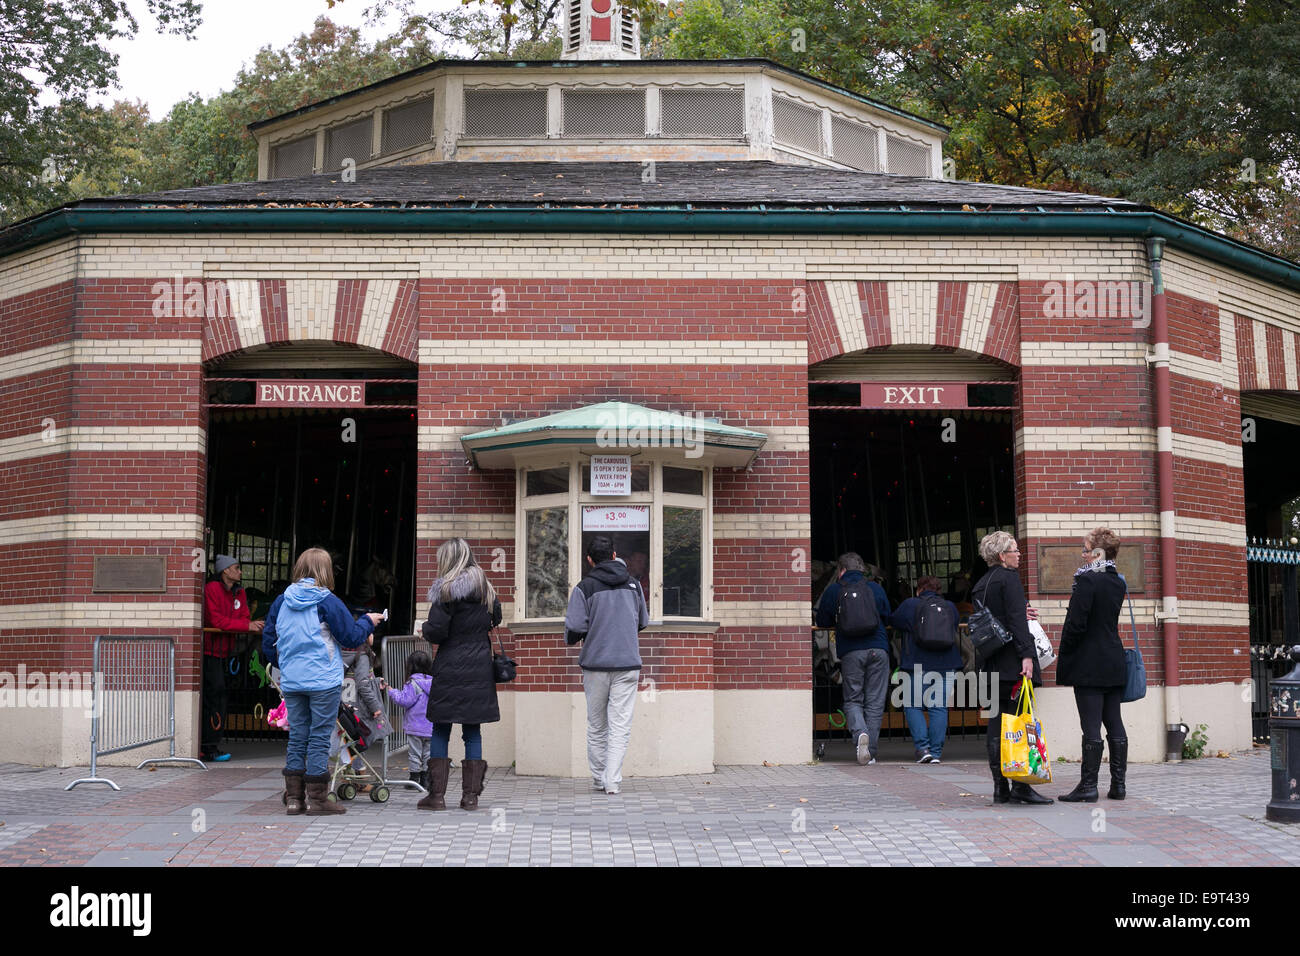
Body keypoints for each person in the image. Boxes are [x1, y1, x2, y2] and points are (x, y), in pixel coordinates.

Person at [262, 548, 382, 815]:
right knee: (318, 737)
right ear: (325, 571)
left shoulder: (281, 601)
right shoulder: (328, 602)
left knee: (297, 738)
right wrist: (367, 622)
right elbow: (351, 637)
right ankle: (317, 800)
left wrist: (288, 666)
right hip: (323, 681)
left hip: (292, 680)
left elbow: (269, 642)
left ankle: (294, 799)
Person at [418, 538, 501, 812]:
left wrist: (425, 630)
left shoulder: (445, 591)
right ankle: (470, 798)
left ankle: (437, 796)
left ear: (449, 560)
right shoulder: (486, 588)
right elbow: (496, 618)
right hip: (479, 667)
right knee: (472, 730)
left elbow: (438, 630)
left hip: (450, 666)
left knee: (441, 727)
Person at [564, 535, 649, 795]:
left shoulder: (584, 587)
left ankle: (599, 778)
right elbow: (642, 621)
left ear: (590, 560)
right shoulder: (634, 585)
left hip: (595, 665)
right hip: (627, 664)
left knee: (597, 724)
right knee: (620, 725)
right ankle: (613, 781)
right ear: (614, 555)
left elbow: (576, 626)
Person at [974, 531, 1052, 805]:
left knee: (996, 724)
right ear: (1001, 555)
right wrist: (1027, 656)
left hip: (991, 666)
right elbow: (1017, 625)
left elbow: (999, 618)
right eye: (1014, 550)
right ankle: (1022, 784)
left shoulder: (981, 584)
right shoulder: (1010, 580)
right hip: (1013, 665)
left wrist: (1021, 609)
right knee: (1022, 721)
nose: (1019, 554)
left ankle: (1000, 788)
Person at [1057, 527, 1129, 802]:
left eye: (1086, 549)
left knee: (1090, 725)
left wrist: (1069, 652)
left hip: (1089, 662)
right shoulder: (1117, 581)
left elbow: (1076, 624)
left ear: (1098, 553)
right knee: (1114, 721)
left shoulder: (1088, 581)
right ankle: (1118, 786)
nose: (1083, 554)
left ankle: (1088, 786)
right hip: (1113, 659)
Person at [815, 553, 891, 765]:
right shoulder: (875, 588)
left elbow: (822, 620)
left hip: (851, 652)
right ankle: (871, 754)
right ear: (862, 570)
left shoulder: (834, 590)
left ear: (841, 571)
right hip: (879, 649)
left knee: (853, 700)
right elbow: (886, 615)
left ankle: (860, 736)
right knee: (875, 703)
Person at [889, 575, 963, 763]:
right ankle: (936, 753)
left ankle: (923, 749)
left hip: (917, 663)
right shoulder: (950, 607)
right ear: (939, 590)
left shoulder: (910, 605)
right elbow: (954, 627)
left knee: (913, 705)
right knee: (938, 707)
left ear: (919, 589)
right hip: (946, 663)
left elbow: (893, 620)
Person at [201, 554, 263, 763]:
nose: (240, 572)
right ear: (225, 570)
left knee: (221, 696)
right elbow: (216, 620)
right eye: (236, 568)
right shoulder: (212, 589)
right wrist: (244, 626)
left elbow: (243, 616)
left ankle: (212, 743)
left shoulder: (240, 592)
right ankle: (207, 746)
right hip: (210, 651)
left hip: (228, 651)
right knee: (213, 696)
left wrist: (240, 624)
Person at [387, 650, 435, 790]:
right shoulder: (434, 682)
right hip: (430, 725)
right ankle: (426, 779)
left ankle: (414, 778)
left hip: (415, 726)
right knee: (428, 753)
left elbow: (404, 701)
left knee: (415, 753)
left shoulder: (412, 683)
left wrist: (392, 691)